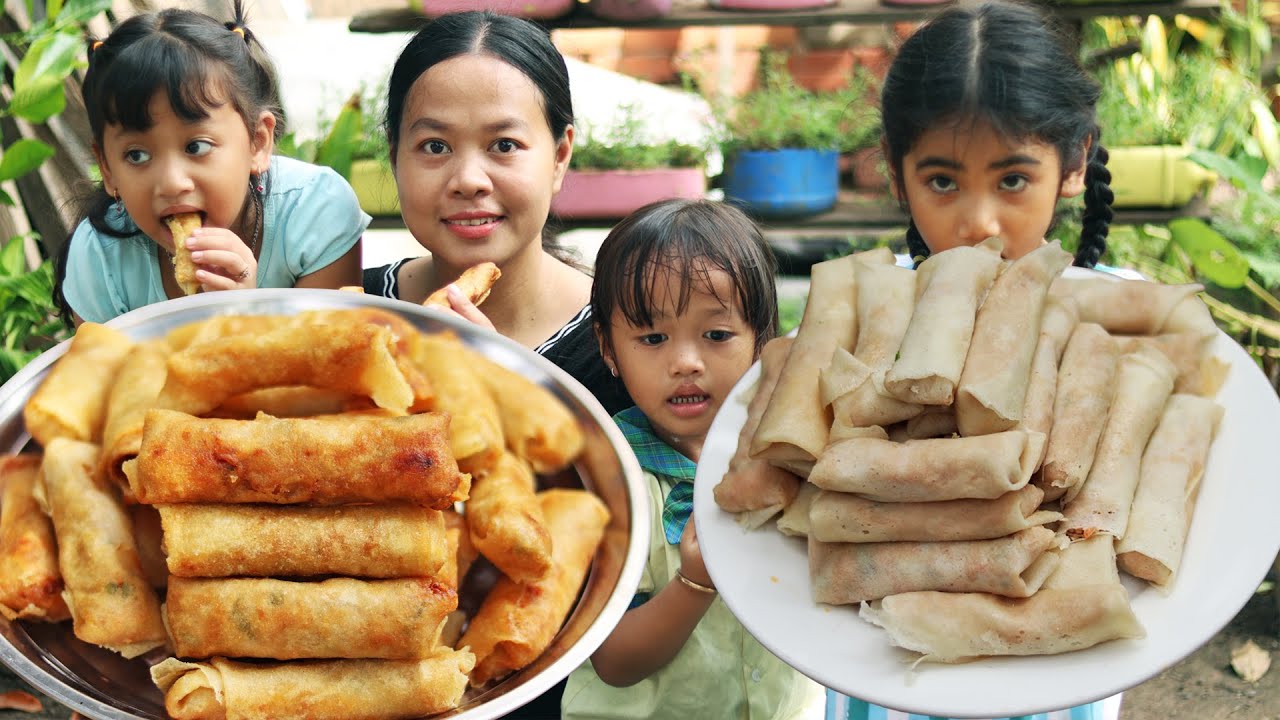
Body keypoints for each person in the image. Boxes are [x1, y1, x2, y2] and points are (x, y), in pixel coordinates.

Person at [827, 3, 1120, 720]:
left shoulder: (1118, 329)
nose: (979, 220)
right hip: (880, 670)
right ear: (897, 176)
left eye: (1013, 180)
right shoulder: (865, 321)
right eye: (943, 181)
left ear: (1074, 164)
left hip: (1060, 674)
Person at [561, 198, 823, 719]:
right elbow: (613, 661)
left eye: (717, 335)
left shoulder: (799, 458)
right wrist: (696, 582)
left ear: (761, 340)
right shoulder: (603, 479)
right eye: (653, 338)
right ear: (608, 348)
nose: (685, 362)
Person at [362, 11, 630, 416]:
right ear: (395, 155)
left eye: (504, 145)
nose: (469, 180)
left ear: (560, 156)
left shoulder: (626, 341)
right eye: (435, 146)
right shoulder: (352, 313)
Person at [53, 1, 367, 326]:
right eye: (137, 155)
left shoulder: (314, 214)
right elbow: (102, 374)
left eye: (196, 146)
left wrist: (248, 315)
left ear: (257, 142)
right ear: (108, 169)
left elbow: (332, 362)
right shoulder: (100, 260)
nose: (173, 182)